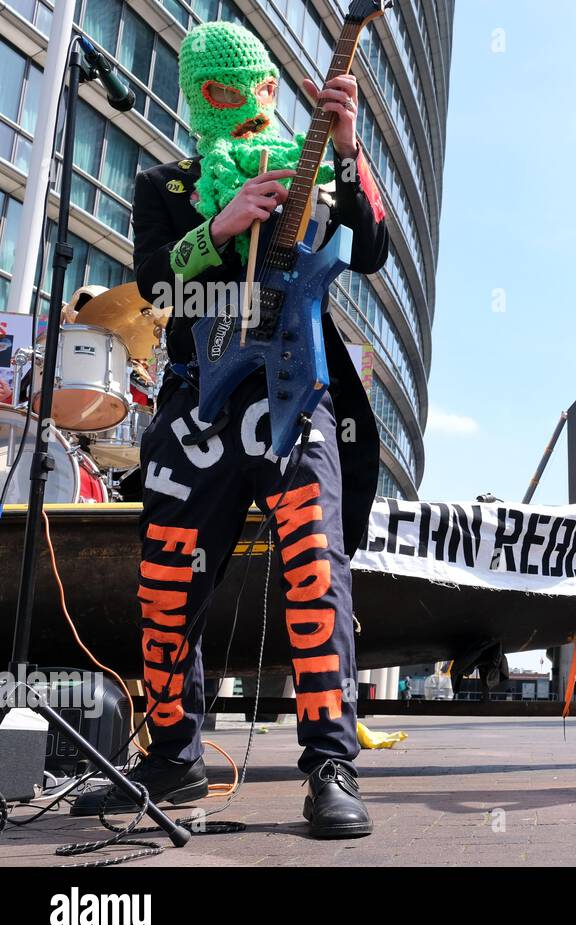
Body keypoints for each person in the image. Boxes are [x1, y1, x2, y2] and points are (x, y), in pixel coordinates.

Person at [71, 21, 389, 837]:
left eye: (246, 88)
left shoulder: (309, 171)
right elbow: (150, 280)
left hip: (293, 398)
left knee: (316, 570)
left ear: (273, 92)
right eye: (213, 89)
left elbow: (375, 248)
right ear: (189, 95)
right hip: (195, 402)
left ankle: (329, 763)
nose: (236, 105)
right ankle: (173, 758)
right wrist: (214, 229)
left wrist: (348, 152)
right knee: (165, 586)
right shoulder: (166, 185)